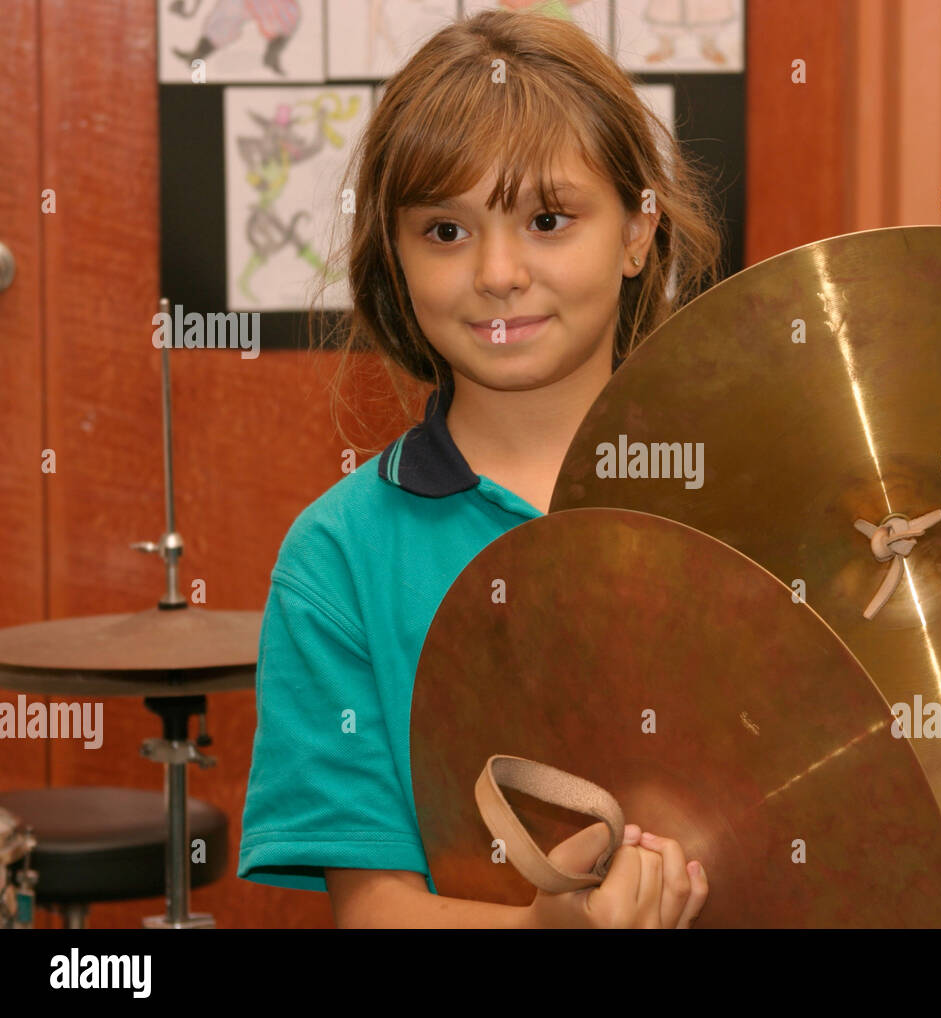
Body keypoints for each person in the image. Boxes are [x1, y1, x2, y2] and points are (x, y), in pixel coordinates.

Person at [237, 7, 725, 928]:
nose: (498, 273)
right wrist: (544, 929)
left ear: (636, 231)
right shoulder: (339, 556)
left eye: (548, 219)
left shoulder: (747, 490)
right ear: (394, 253)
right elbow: (373, 910)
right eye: (445, 232)